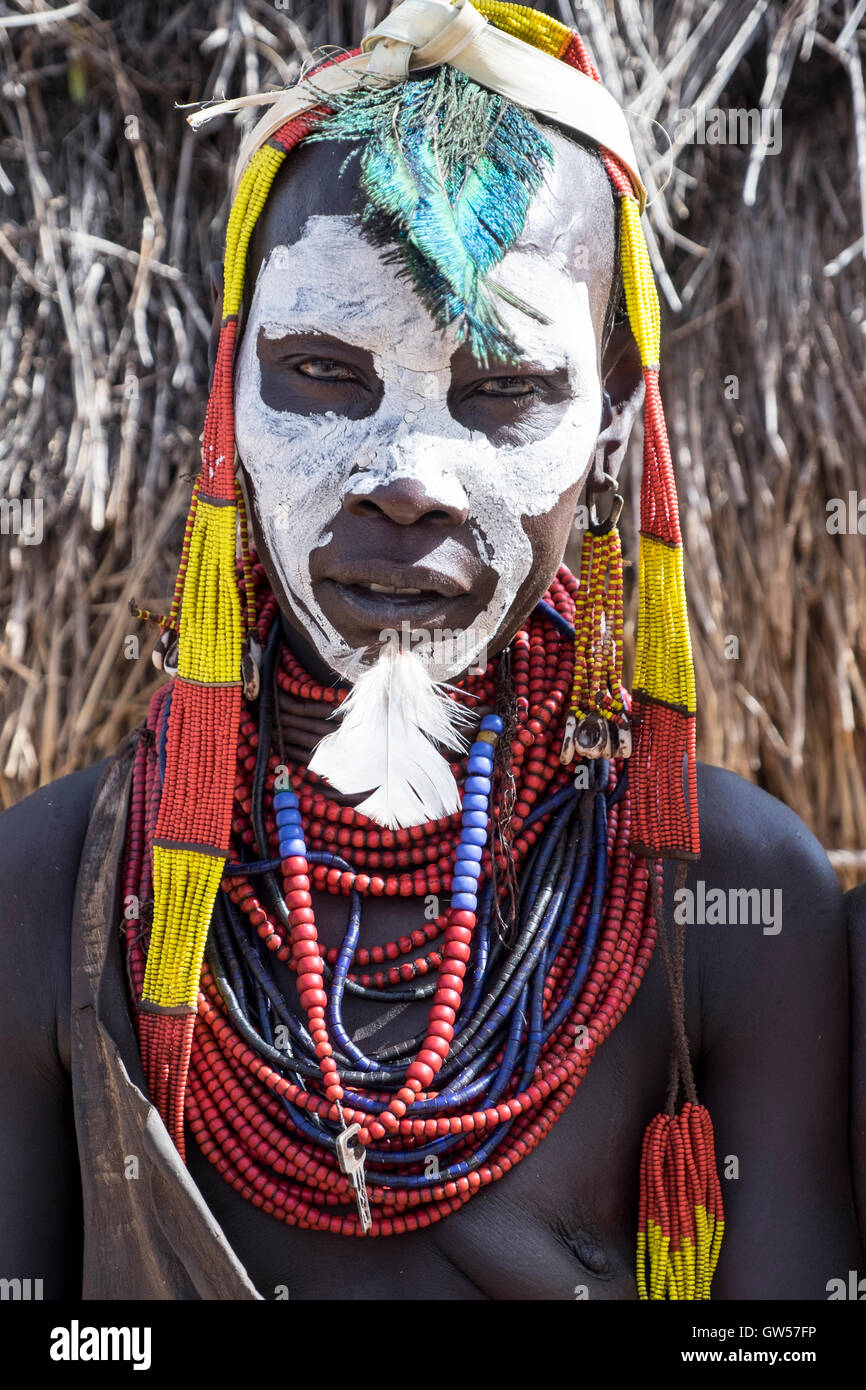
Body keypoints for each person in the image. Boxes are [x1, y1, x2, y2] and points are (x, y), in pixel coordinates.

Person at [0, 0, 859, 1301]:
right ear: (229, 390)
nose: (407, 479)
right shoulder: (52, 893)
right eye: (325, 373)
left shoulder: (727, 902)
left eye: (502, 389)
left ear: (613, 426)